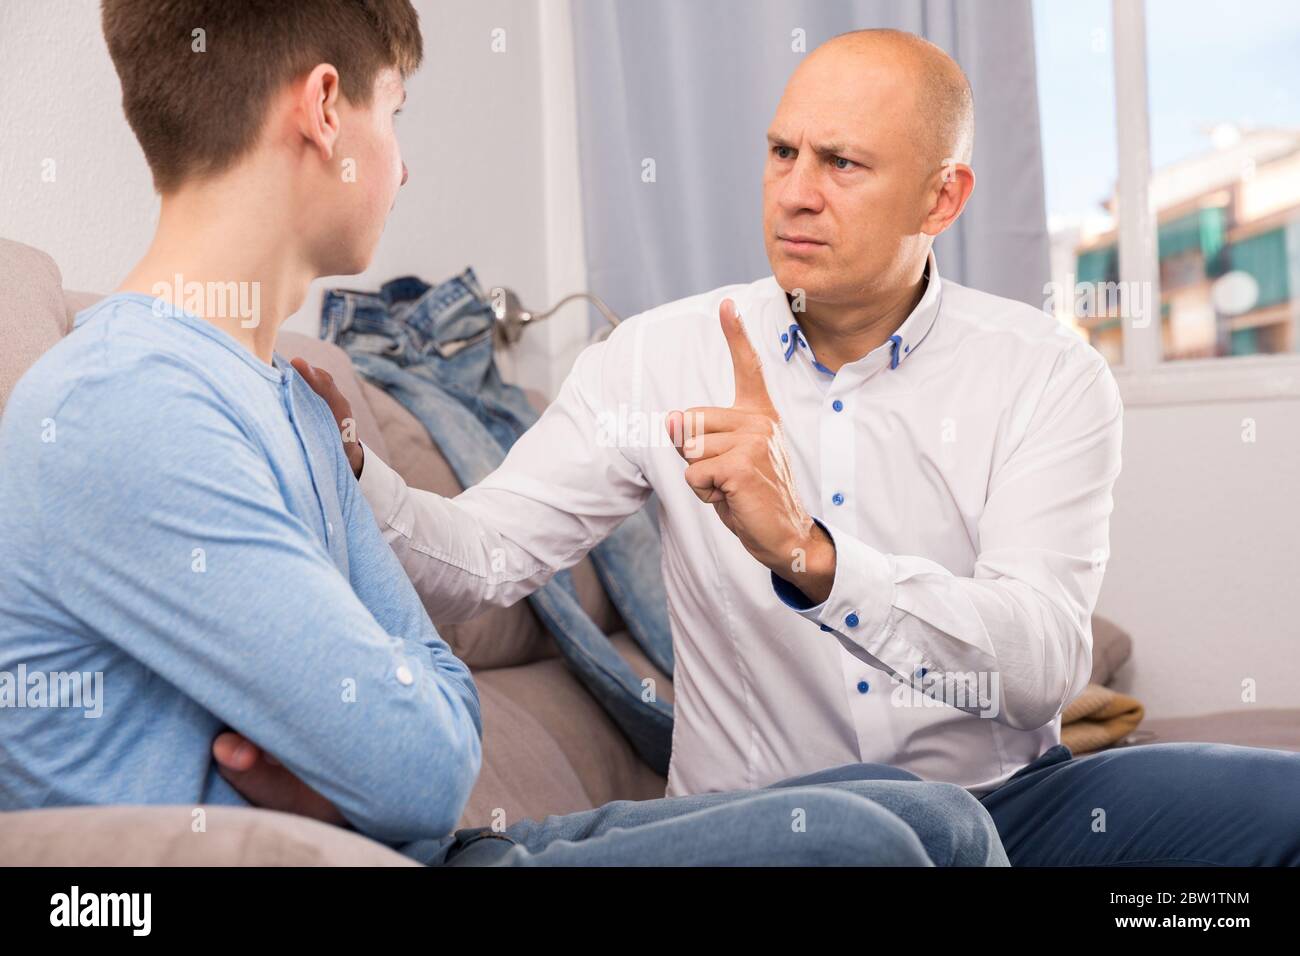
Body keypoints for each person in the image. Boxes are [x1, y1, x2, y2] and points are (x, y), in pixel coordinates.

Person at [0, 0, 1008, 867]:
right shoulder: (127, 407)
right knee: (861, 849)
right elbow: (428, 765)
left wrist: (376, 746)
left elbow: (443, 711)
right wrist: (388, 750)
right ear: (323, 112)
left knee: (940, 816)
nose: (403, 165)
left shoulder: (292, 401)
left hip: (442, 846)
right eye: (394, 111)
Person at [281, 28, 1300, 865]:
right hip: (773, 829)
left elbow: (1039, 666)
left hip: (1007, 805)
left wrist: (813, 557)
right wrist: (359, 473)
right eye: (782, 153)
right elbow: (483, 561)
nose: (795, 192)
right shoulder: (651, 357)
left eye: (842, 163)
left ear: (941, 199)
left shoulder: (1043, 372)